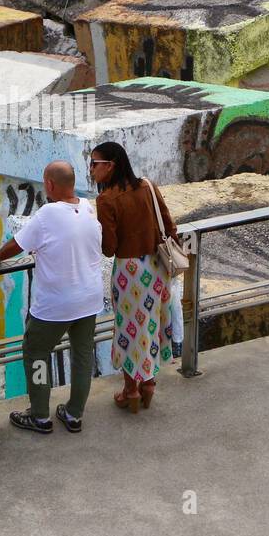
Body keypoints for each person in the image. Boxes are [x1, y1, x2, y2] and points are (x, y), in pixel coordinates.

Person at [0, 161, 103, 435]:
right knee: (83, 355)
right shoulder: (87, 207)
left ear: (49, 185)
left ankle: (40, 415)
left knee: (36, 353)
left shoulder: (48, 214)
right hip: (89, 298)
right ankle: (74, 414)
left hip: (56, 304)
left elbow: (16, 246)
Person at [89, 141, 177, 412]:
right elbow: (170, 225)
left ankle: (131, 390)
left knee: (129, 329)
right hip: (155, 267)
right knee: (150, 325)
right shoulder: (147, 186)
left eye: (95, 164)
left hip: (130, 272)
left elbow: (109, 248)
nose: (91, 170)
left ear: (110, 166)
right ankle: (149, 383)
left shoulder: (106, 200)